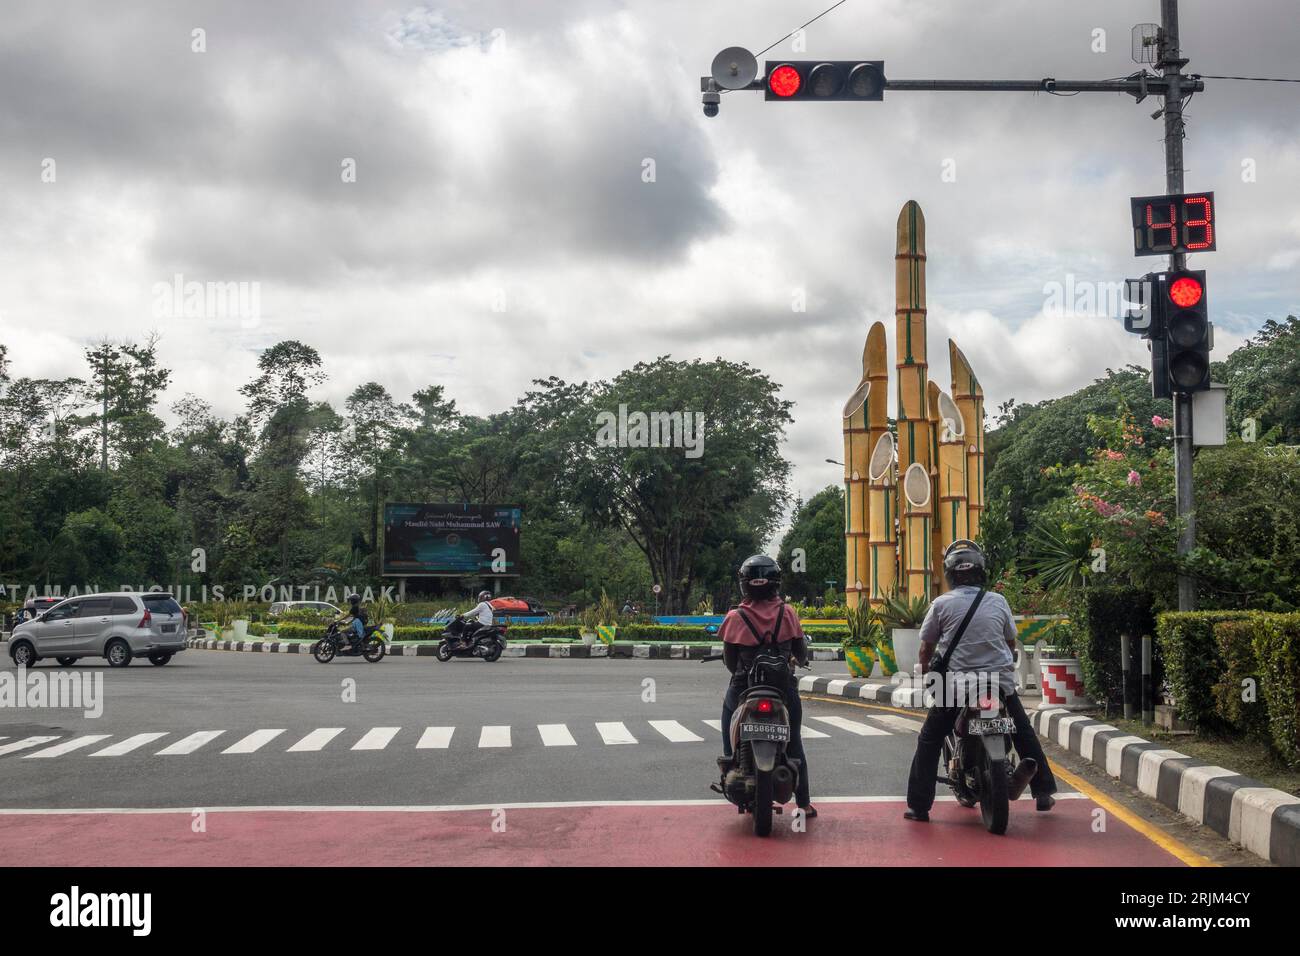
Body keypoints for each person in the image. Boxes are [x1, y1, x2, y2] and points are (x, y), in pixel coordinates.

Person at [903, 540, 1058, 822]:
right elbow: (1010, 644)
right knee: (1023, 732)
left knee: (930, 738)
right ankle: (1044, 791)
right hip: (999, 684)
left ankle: (919, 806)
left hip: (957, 688)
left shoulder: (941, 604)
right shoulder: (998, 601)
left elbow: (926, 648)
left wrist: (925, 669)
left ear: (950, 574)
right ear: (981, 571)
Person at [717, 554, 816, 818]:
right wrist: (793, 659)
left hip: (743, 687)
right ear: (775, 583)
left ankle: (730, 762)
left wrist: (743, 672)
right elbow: (802, 654)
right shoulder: (788, 612)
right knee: (794, 742)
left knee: (728, 720)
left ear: (745, 584)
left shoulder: (736, 617)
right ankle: (803, 803)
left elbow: (730, 661)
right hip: (782, 689)